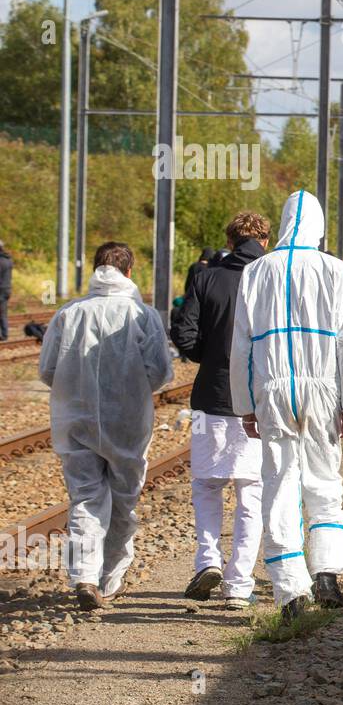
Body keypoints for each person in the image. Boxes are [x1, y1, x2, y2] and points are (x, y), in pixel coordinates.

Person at [230, 191, 343, 621]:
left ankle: (290, 591)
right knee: (324, 481)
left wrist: (244, 403)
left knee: (279, 483)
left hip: (272, 389)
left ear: (284, 221)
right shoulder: (334, 269)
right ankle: (326, 573)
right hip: (322, 388)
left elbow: (241, 346)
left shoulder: (255, 271)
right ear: (319, 226)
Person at [39, 243, 172, 610]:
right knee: (124, 500)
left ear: (95, 270)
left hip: (74, 418)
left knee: (85, 496)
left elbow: (48, 369)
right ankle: (110, 580)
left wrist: (77, 389)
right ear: (129, 273)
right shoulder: (142, 315)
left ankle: (84, 574)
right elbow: (160, 371)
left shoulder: (69, 313)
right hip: (128, 421)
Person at [171, 212, 270, 609]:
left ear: (229, 240)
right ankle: (239, 584)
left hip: (210, 396)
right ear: (264, 240)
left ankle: (208, 560)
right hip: (259, 400)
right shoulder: (271, 279)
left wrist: (209, 357)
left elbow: (184, 331)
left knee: (207, 486)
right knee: (251, 493)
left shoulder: (205, 276)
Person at [0, 239, 12, 341]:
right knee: (3, 313)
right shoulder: (8, 259)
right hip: (7, 289)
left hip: (1, 290)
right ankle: (4, 334)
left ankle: (4, 335)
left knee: (2, 313)